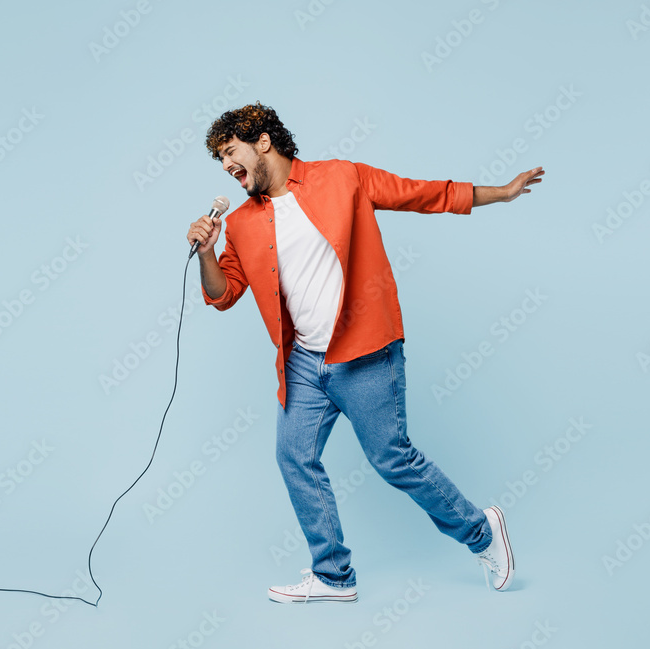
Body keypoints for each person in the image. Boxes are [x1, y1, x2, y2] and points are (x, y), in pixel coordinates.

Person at [186, 102, 542, 603]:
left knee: (392, 459)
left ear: (262, 142)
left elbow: (424, 195)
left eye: (230, 152)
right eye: (220, 159)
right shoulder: (242, 223)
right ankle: (333, 575)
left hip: (363, 352)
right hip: (305, 363)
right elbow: (222, 295)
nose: (226, 166)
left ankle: (482, 532)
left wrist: (499, 193)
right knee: (294, 456)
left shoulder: (343, 178)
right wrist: (206, 252)